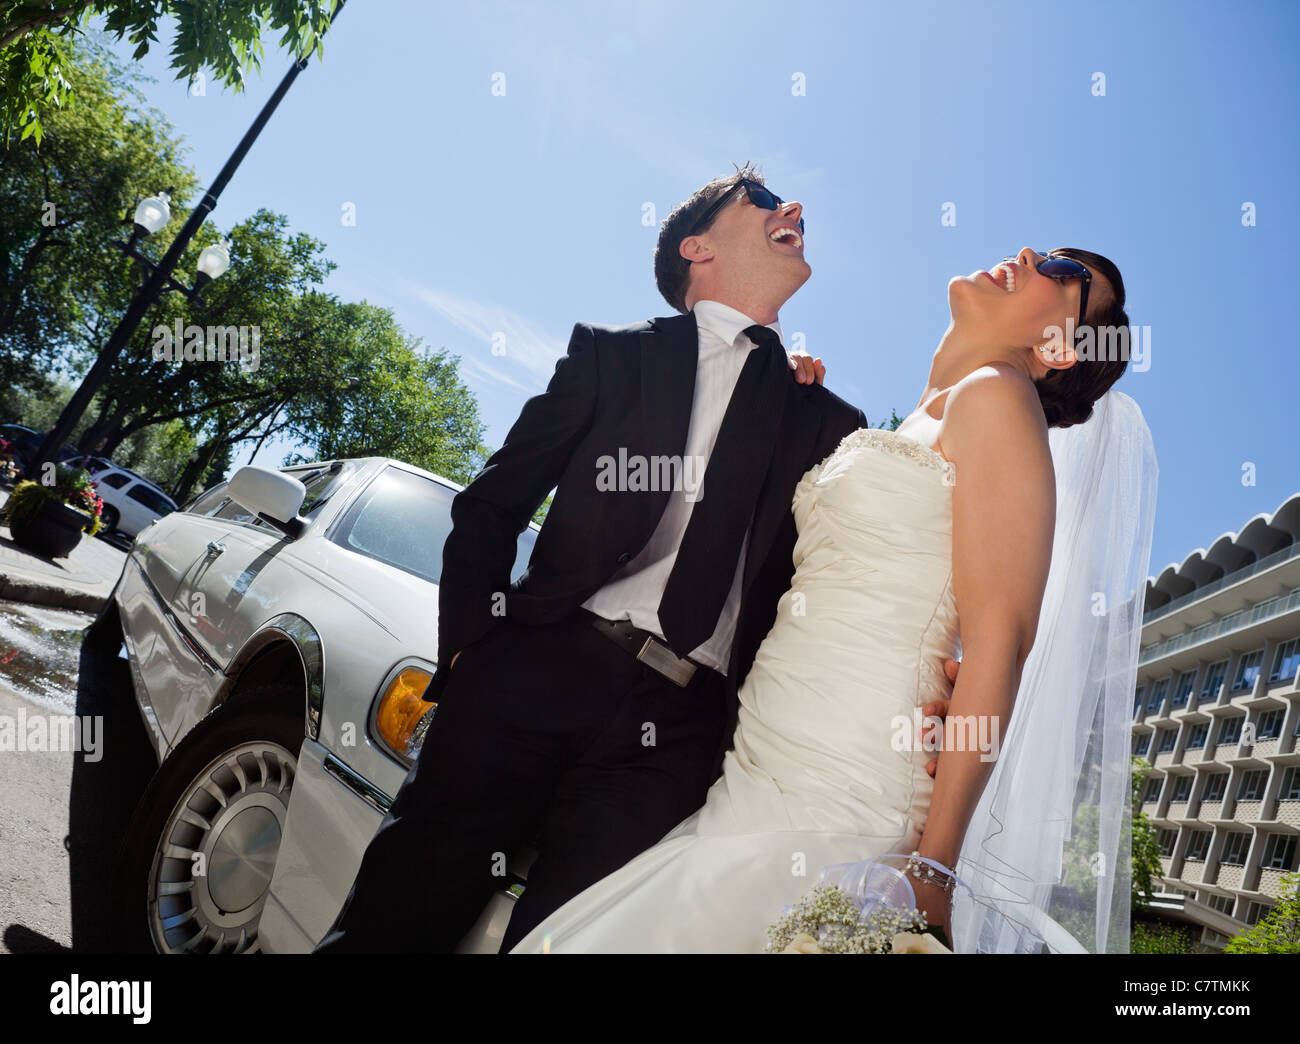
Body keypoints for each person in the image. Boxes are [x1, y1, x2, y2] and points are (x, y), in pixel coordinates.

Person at [313, 165, 959, 953]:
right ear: (697, 248)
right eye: (761, 201)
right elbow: (491, 505)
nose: (792, 209)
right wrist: (473, 657)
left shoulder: (829, 422)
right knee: (392, 925)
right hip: (533, 676)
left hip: (680, 731)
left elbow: (836, 575)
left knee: (568, 942)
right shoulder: (610, 358)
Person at [508, 247, 1157, 953]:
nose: (1032, 255)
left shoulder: (998, 397)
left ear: (1060, 347)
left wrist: (933, 868)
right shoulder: (931, 413)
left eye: (1065, 273)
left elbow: (1002, 637)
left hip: (847, 779)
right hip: (765, 756)